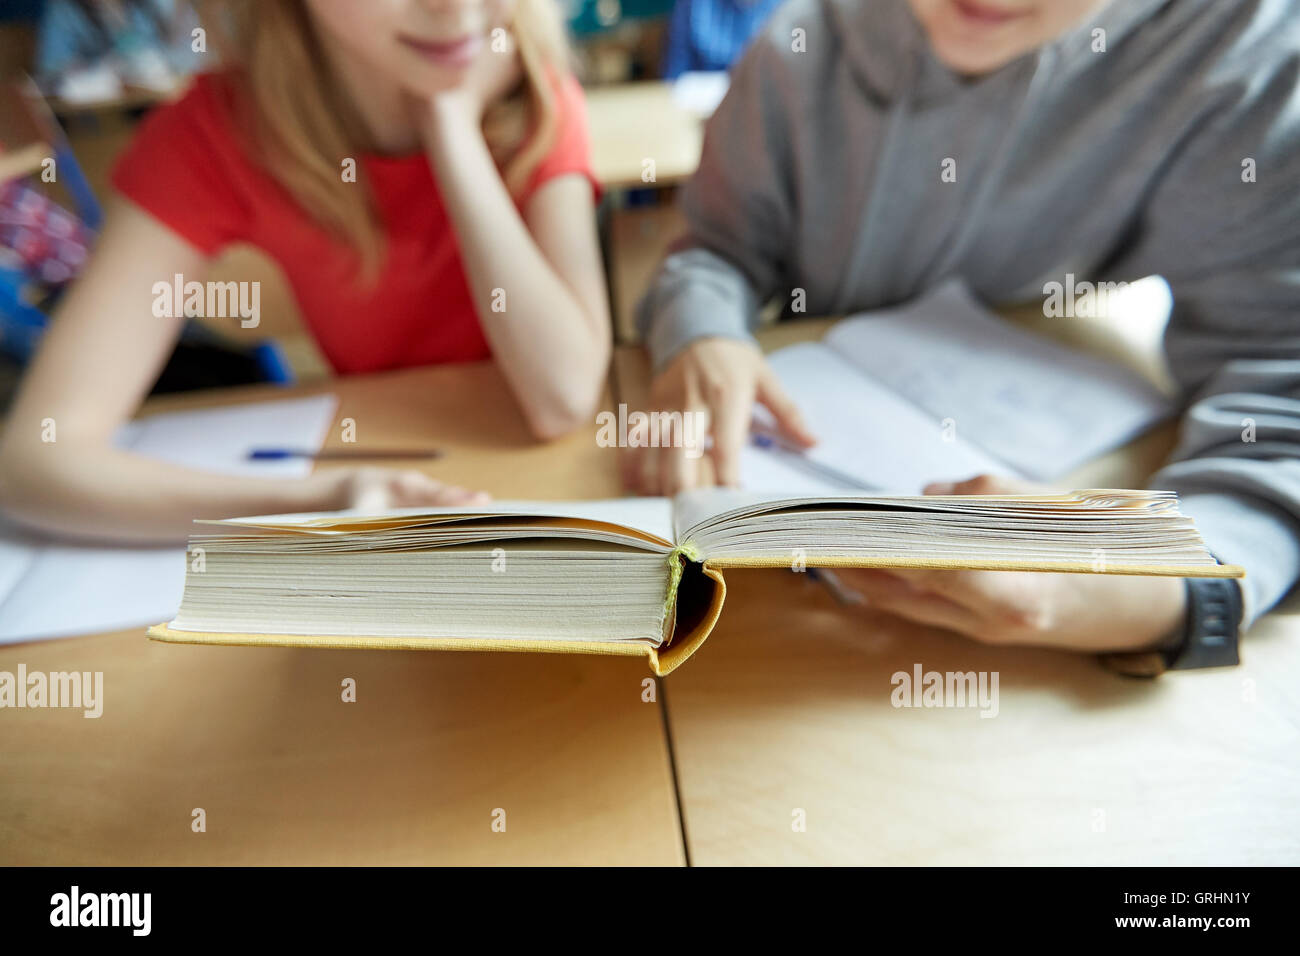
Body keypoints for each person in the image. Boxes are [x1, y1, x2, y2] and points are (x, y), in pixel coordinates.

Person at [634, 0, 1300, 671]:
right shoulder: (795, 45)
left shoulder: (1255, 60)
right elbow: (716, 248)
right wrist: (702, 327)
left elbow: (1282, 397)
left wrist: (1165, 594)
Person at [0, 0, 612, 543]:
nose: (455, 9)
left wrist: (449, 123)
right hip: (400, 509)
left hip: (547, 497)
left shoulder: (535, 94)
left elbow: (562, 397)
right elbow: (35, 457)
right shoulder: (215, 132)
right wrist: (320, 501)